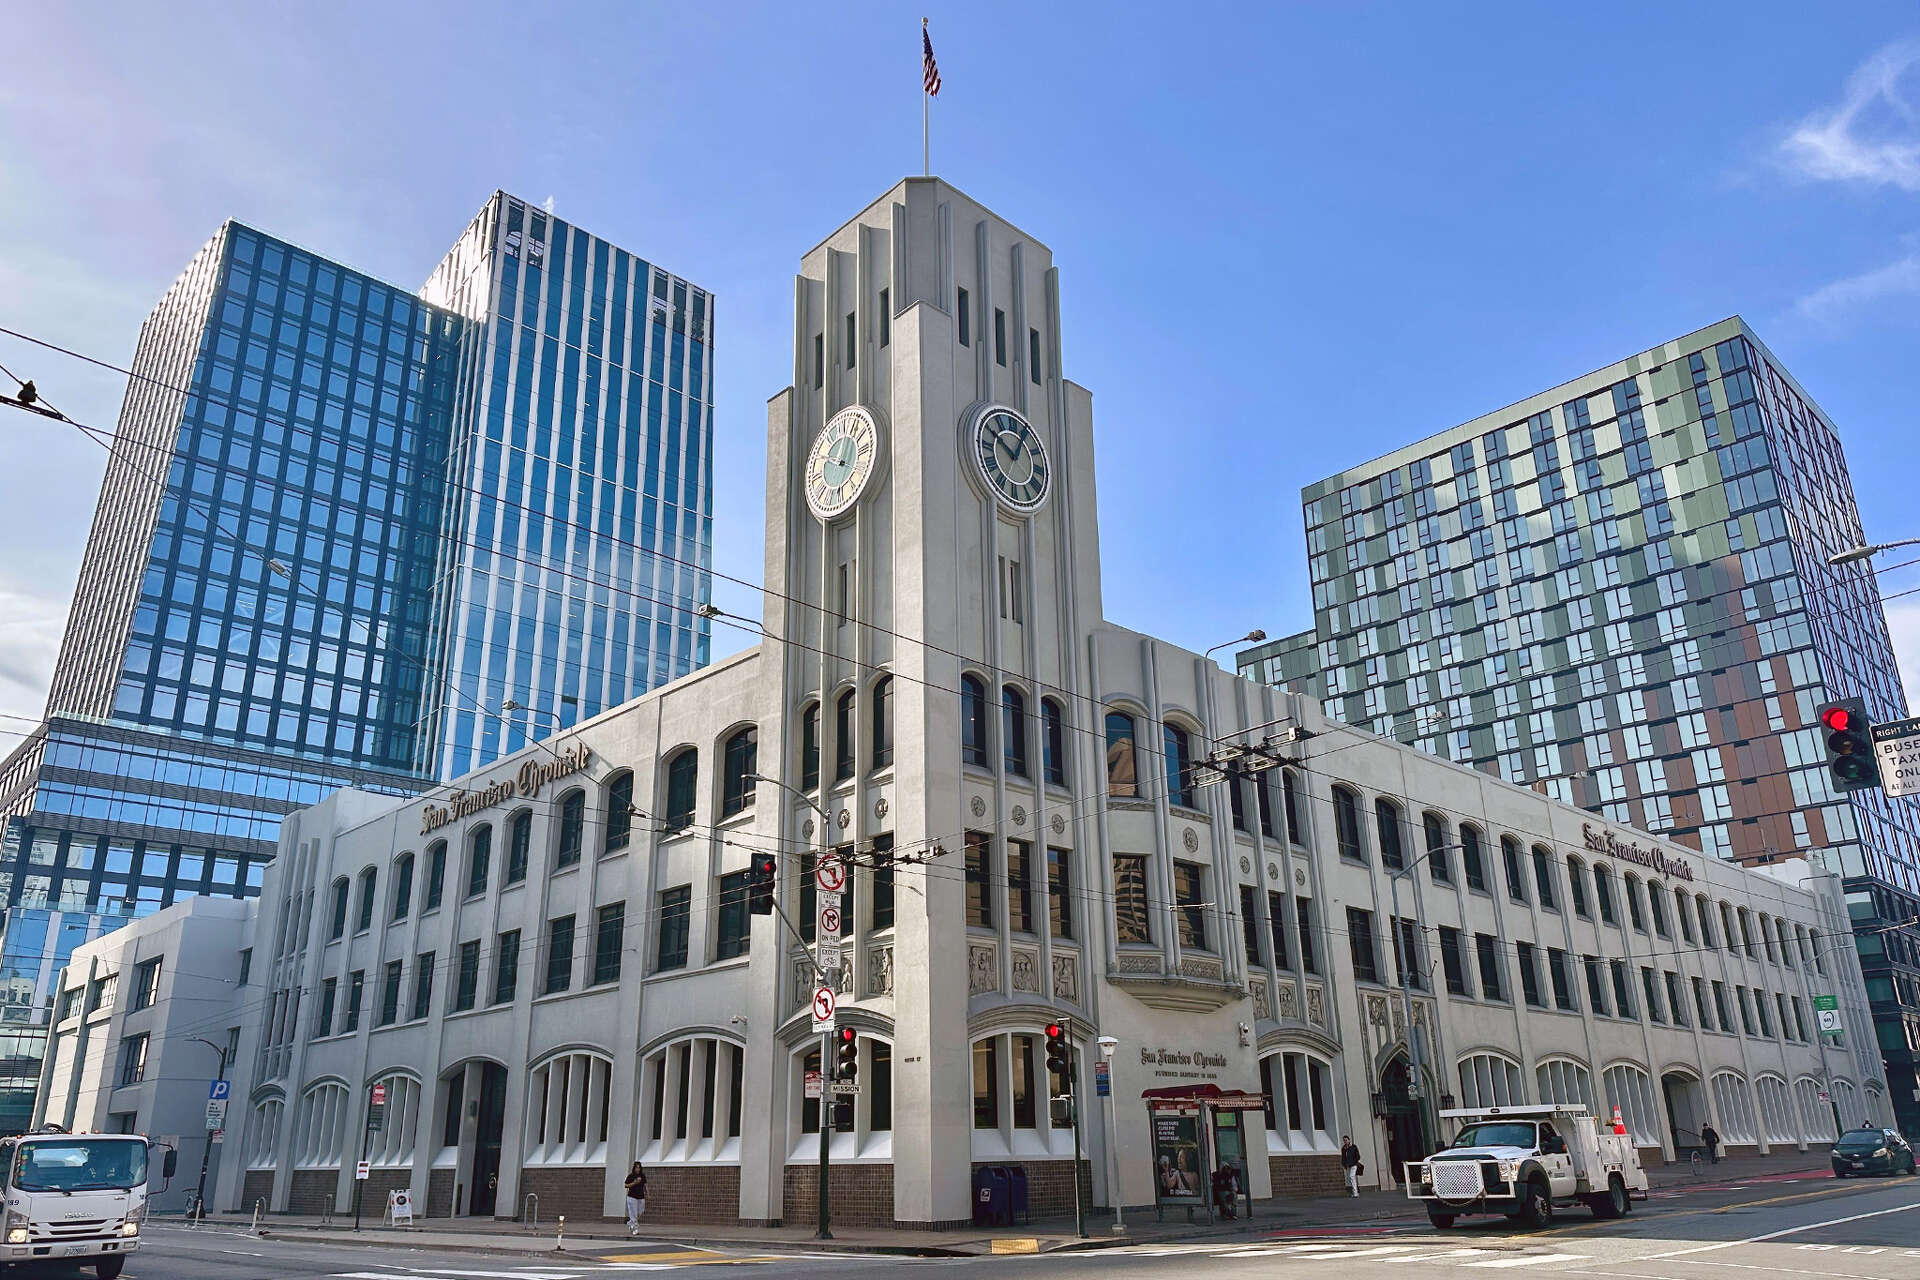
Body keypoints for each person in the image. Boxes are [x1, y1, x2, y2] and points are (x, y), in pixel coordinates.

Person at [624, 1161, 648, 1235]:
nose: (638, 1169)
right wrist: (634, 1183)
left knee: (640, 1211)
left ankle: (631, 1222)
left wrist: (647, 1193)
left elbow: (645, 1185)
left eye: (639, 1168)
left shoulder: (642, 1176)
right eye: (636, 1168)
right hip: (632, 1196)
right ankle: (635, 1228)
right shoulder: (631, 1176)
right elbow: (626, 1185)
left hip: (641, 1196)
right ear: (634, 1168)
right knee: (633, 1212)